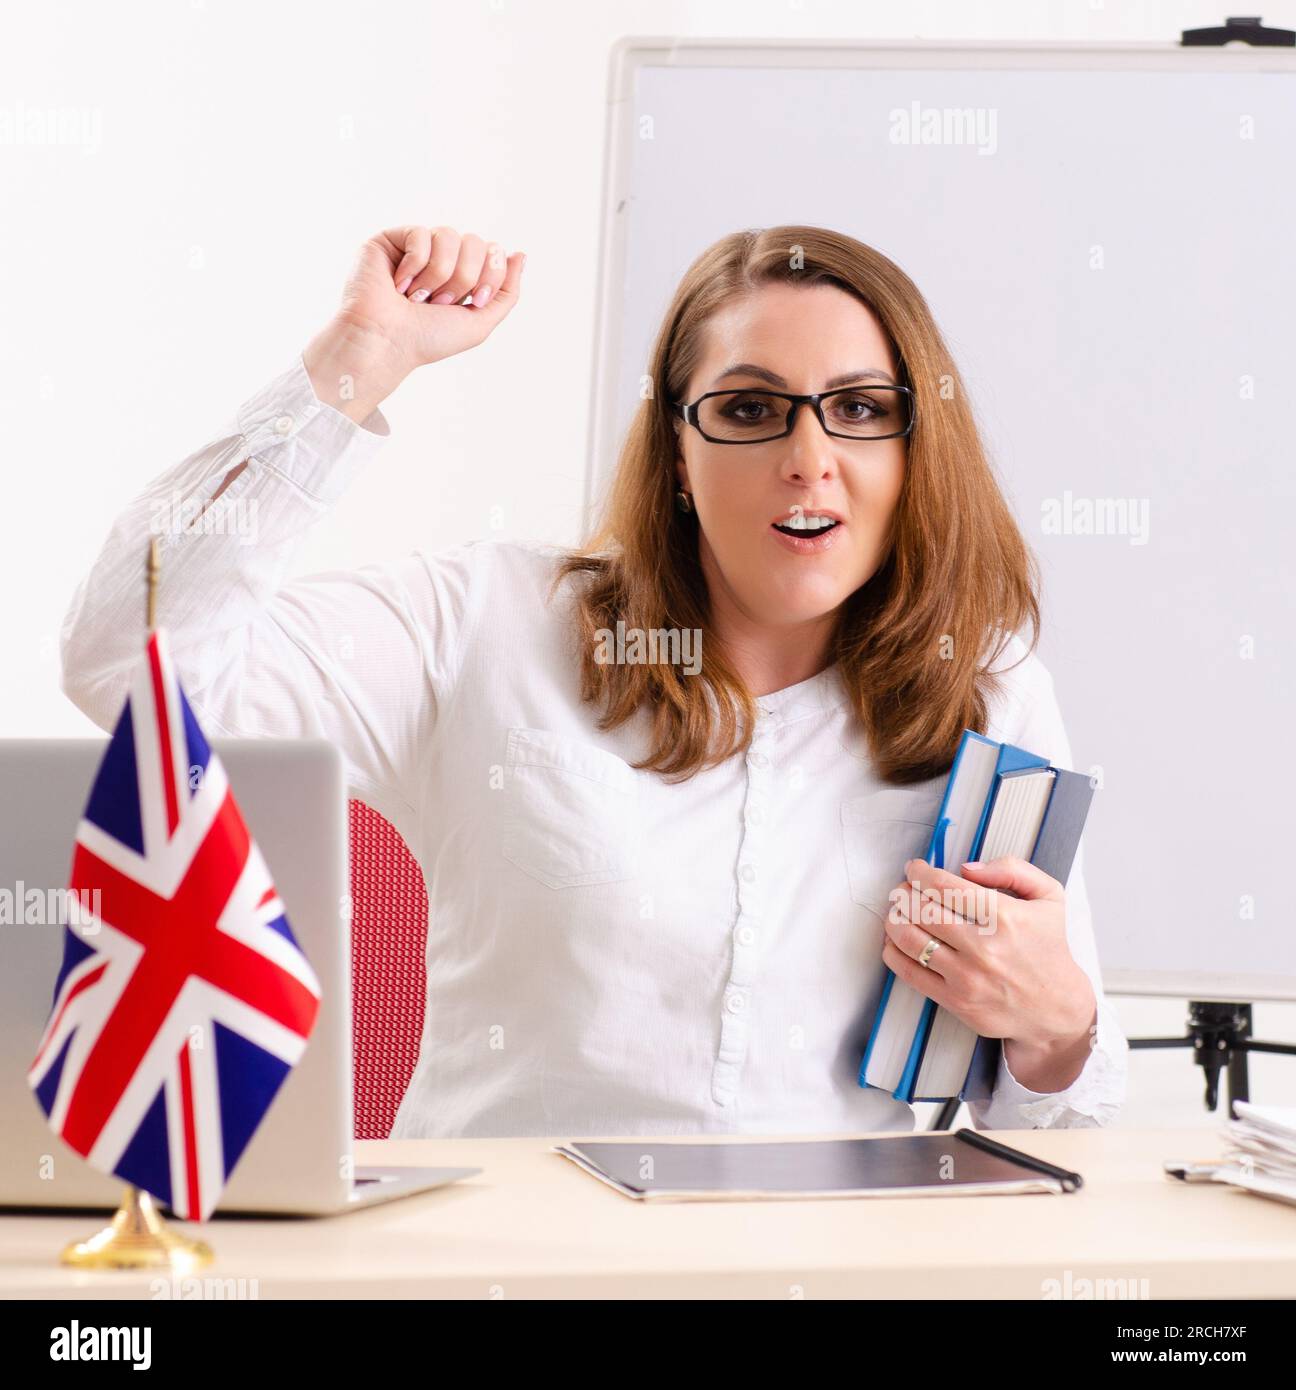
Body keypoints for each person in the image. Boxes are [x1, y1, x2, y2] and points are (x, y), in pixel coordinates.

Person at [60, 222, 1129, 1138]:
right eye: (751, 410)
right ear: (676, 452)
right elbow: (129, 666)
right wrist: (356, 363)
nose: (810, 458)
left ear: (911, 445)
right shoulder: (485, 626)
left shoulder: (984, 696)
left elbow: (1067, 1126)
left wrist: (1058, 1025)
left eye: (857, 408)